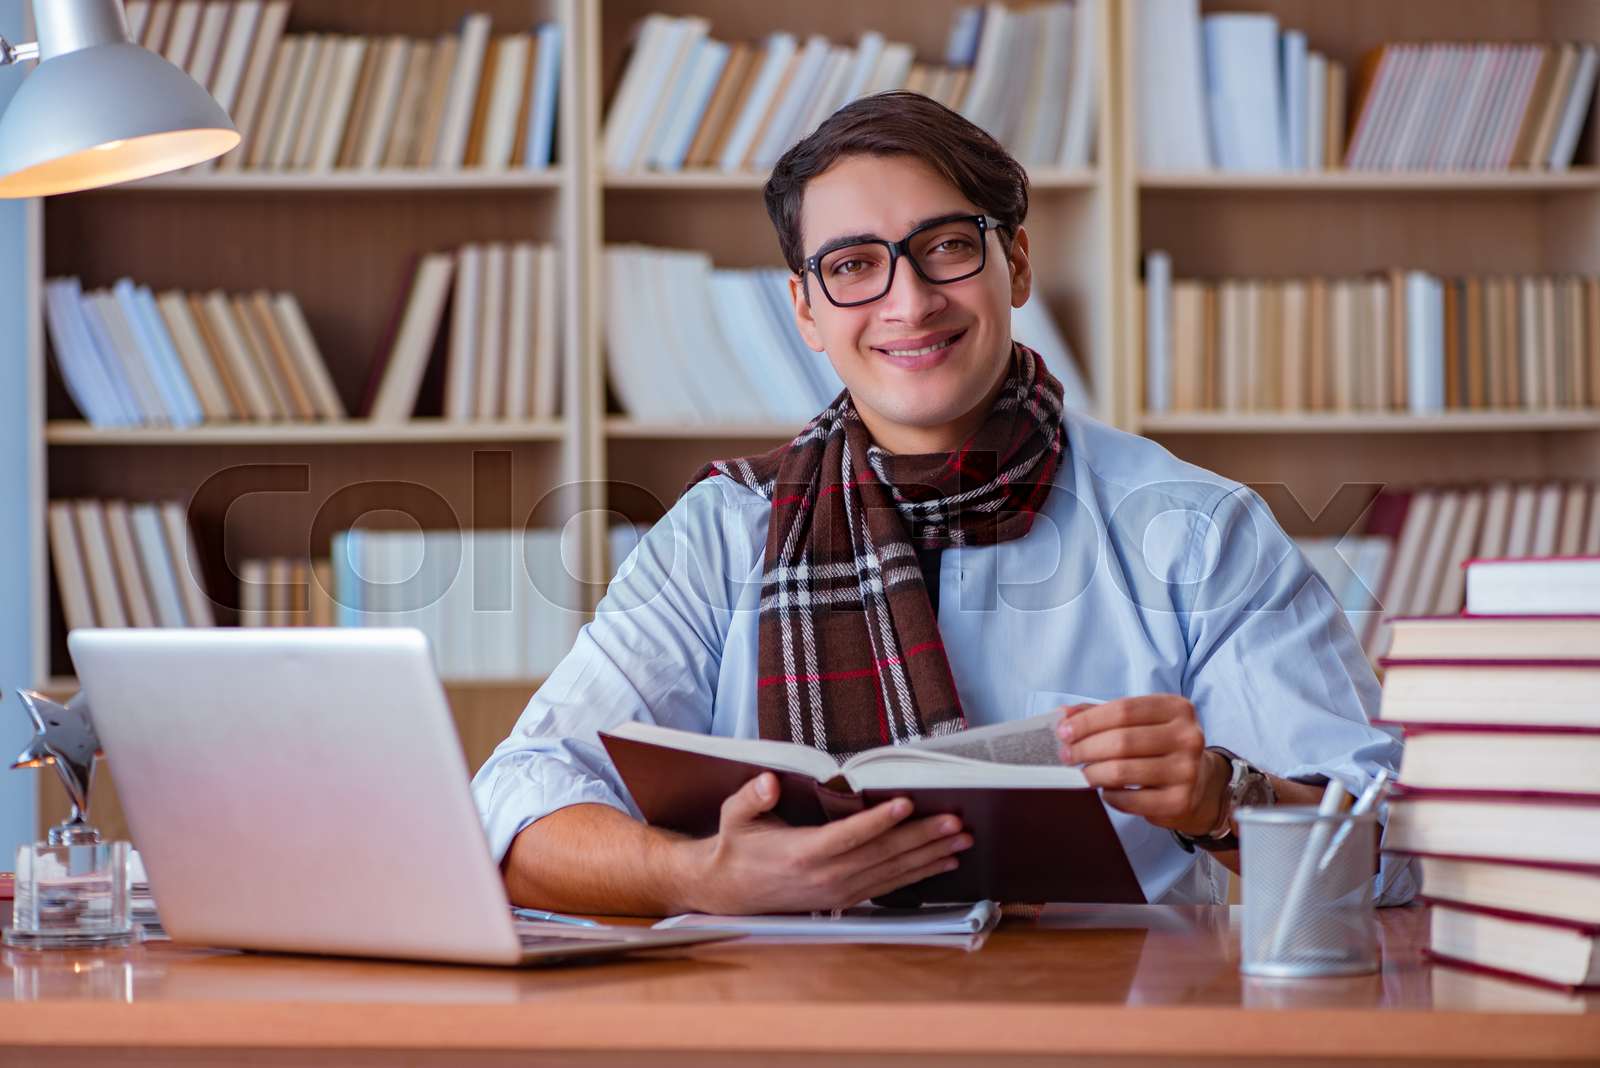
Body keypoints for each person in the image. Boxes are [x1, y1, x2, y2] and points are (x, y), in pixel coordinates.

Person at [472, 92, 1414, 914]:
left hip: (1104, 1026)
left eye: (947, 248)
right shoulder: (722, 532)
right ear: (805, 310)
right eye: (852, 267)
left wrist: (1223, 798)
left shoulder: (1197, 531)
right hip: (782, 1021)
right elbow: (515, 803)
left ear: (1017, 264)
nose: (909, 302)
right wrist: (694, 876)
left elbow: (1401, 856)